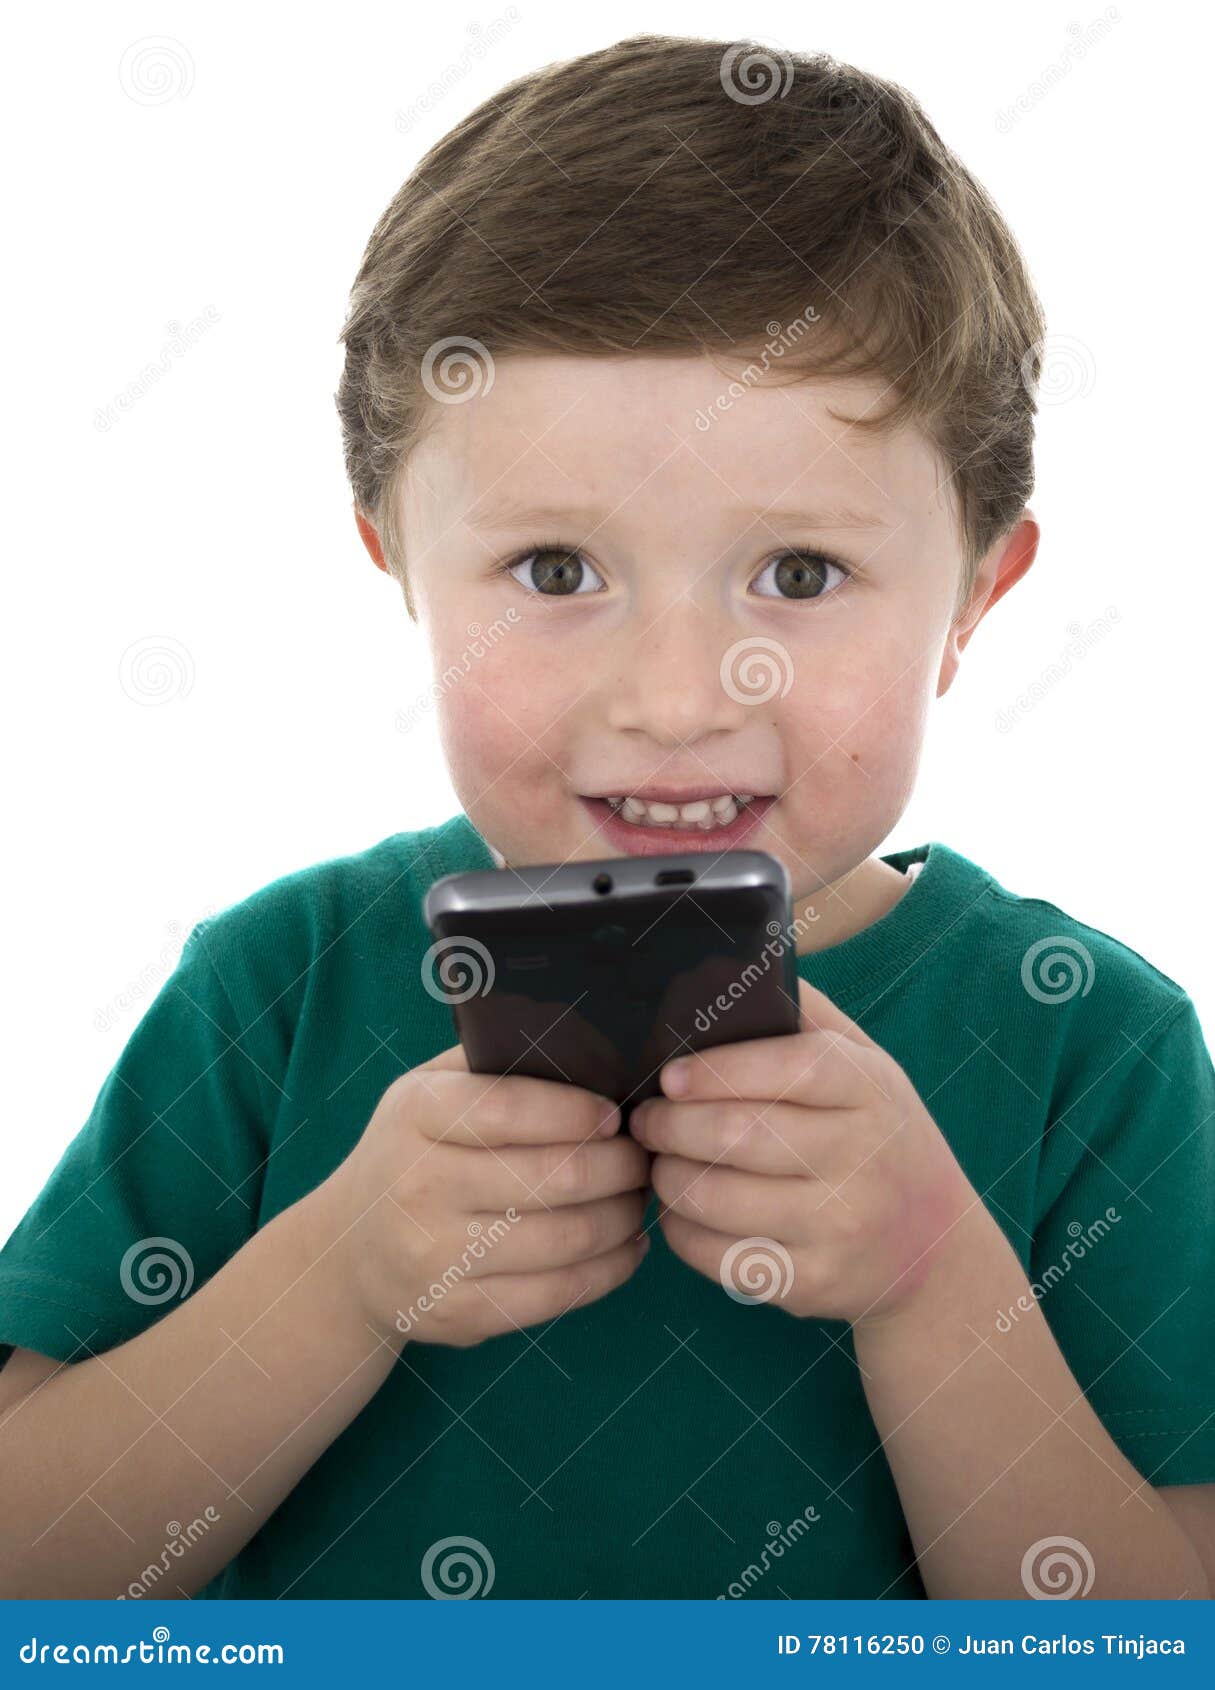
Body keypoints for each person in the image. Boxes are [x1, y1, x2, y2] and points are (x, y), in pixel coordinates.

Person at [2, 34, 1213, 1601]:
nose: (677, 697)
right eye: (558, 573)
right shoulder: (277, 986)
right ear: (398, 564)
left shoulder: (1088, 1047)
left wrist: (929, 1277)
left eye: (799, 574)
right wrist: (340, 1271)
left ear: (977, 592)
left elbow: (1152, 1634)